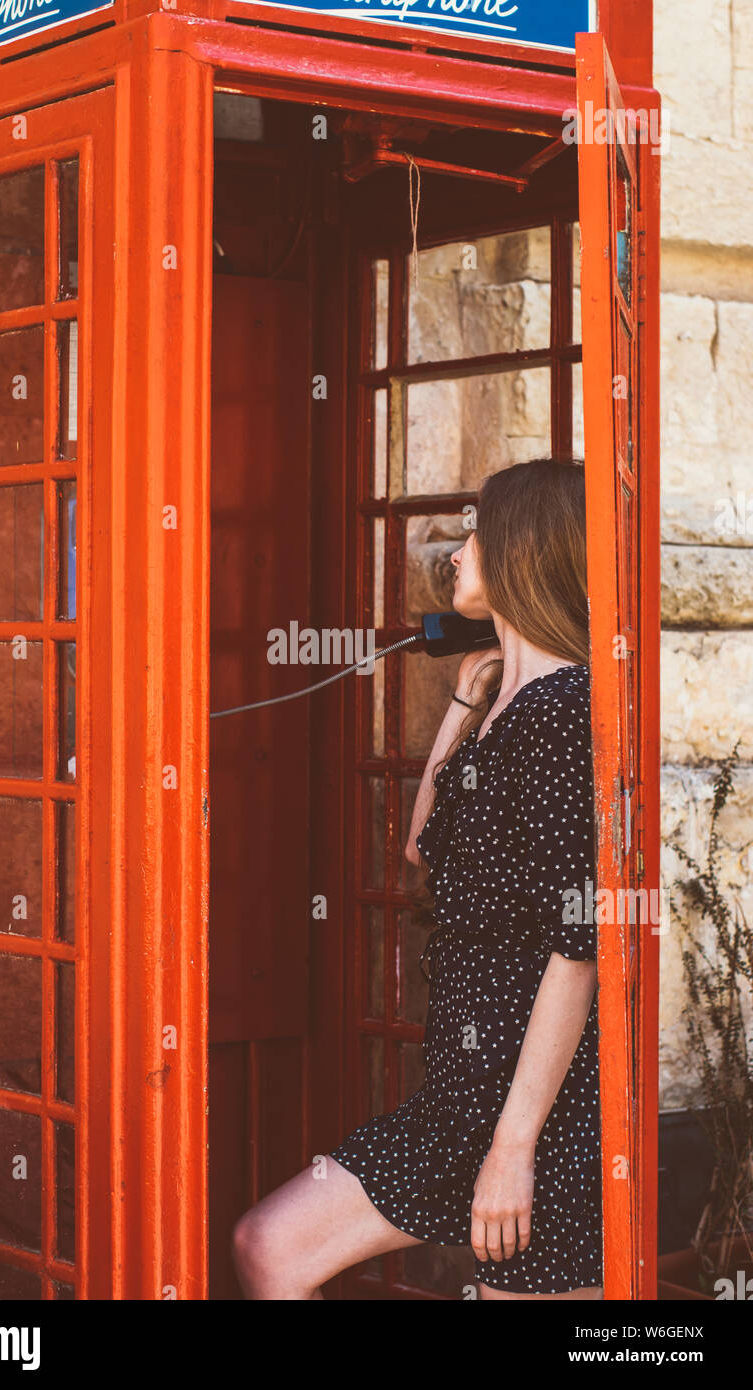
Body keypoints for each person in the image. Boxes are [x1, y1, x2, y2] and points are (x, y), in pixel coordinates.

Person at [232, 458, 602, 1301]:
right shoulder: (508, 704)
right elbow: (420, 849)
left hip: (539, 1114)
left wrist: (515, 1148)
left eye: (475, 531)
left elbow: (578, 946)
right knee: (267, 1249)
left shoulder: (564, 712)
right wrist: (467, 696)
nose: (457, 551)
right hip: (459, 1101)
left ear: (520, 550)